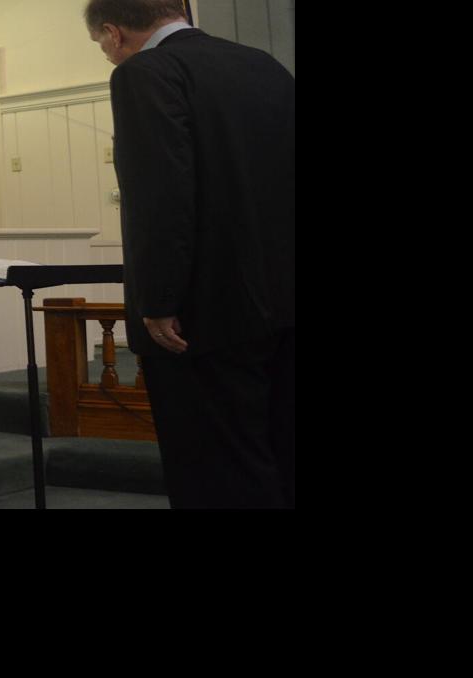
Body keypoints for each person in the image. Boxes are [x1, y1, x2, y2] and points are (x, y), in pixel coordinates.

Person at [85, 0, 295, 508]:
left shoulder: (144, 72)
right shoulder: (264, 65)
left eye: (101, 47)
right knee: (281, 451)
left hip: (203, 312)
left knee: (216, 469)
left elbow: (161, 194)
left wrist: (157, 299)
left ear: (113, 33)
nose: (108, 56)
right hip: (285, 296)